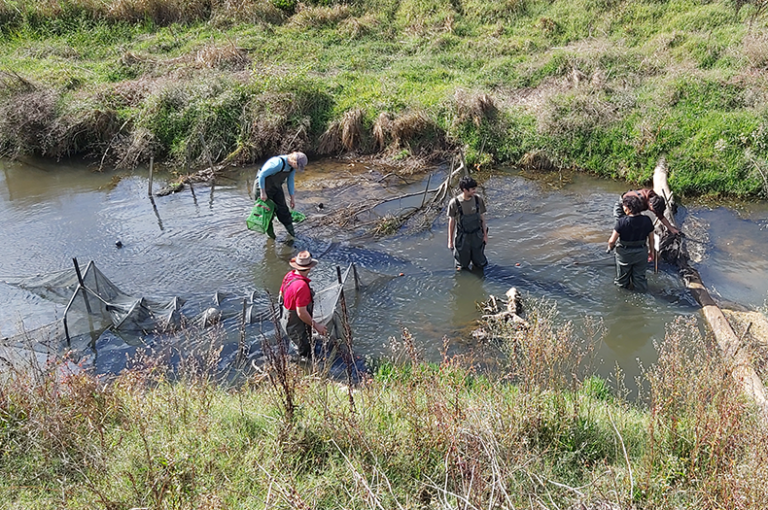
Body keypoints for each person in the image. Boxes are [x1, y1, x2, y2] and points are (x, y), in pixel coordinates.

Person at [279, 250, 327, 358]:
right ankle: (303, 367)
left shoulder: (289, 275)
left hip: (285, 319)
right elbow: (301, 312)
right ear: (310, 267)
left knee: (295, 342)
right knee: (303, 351)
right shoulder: (302, 286)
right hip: (296, 325)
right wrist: (317, 326)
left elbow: (281, 293)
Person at [254, 151, 308, 238]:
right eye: (299, 166)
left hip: (276, 187)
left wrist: (292, 198)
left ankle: (292, 234)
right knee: (267, 213)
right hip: (262, 186)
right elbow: (262, 176)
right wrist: (262, 193)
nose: (298, 168)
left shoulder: (291, 168)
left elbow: (290, 182)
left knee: (283, 211)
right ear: (294, 162)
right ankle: (271, 237)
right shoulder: (277, 163)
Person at [608, 194, 655, 292]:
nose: (623, 208)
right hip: (641, 252)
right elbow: (651, 239)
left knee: (622, 279)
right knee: (640, 277)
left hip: (624, 253)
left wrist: (610, 247)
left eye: (624, 206)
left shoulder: (621, 222)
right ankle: (641, 293)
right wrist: (651, 251)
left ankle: (623, 297)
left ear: (629, 208)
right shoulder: (647, 220)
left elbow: (612, 240)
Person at [447, 176, 488, 271]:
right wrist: (450, 241)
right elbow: (451, 222)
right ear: (464, 190)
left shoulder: (478, 200)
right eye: (472, 189)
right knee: (461, 265)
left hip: (477, 236)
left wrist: (485, 235)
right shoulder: (454, 203)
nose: (475, 191)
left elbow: (482, 218)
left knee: (480, 263)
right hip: (462, 237)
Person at [613, 188, 680, 235]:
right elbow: (628, 211)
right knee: (621, 227)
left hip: (634, 208)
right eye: (653, 210)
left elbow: (660, 216)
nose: (653, 212)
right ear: (649, 204)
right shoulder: (638, 199)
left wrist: (671, 228)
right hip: (623, 205)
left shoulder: (655, 200)